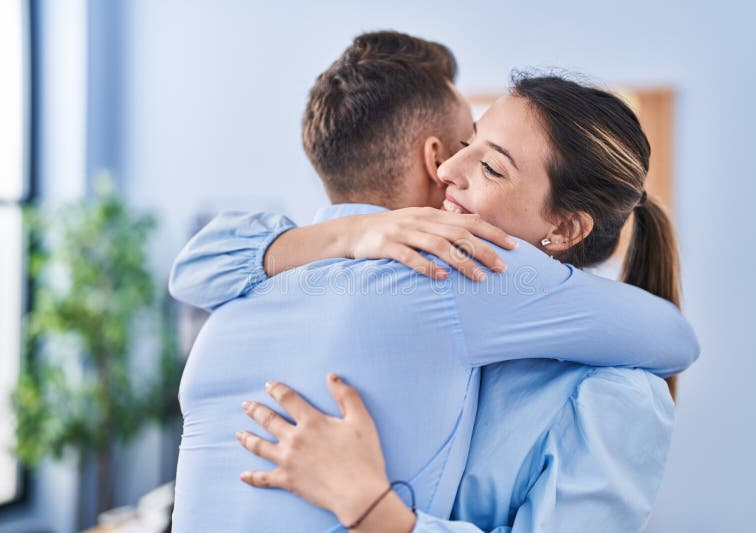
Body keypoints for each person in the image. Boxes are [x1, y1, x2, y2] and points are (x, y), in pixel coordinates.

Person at [169, 32, 699, 532]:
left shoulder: (613, 393)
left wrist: (374, 509)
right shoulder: (402, 281)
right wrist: (358, 230)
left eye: (491, 166)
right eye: (463, 144)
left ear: (564, 227)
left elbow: (675, 339)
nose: (447, 171)